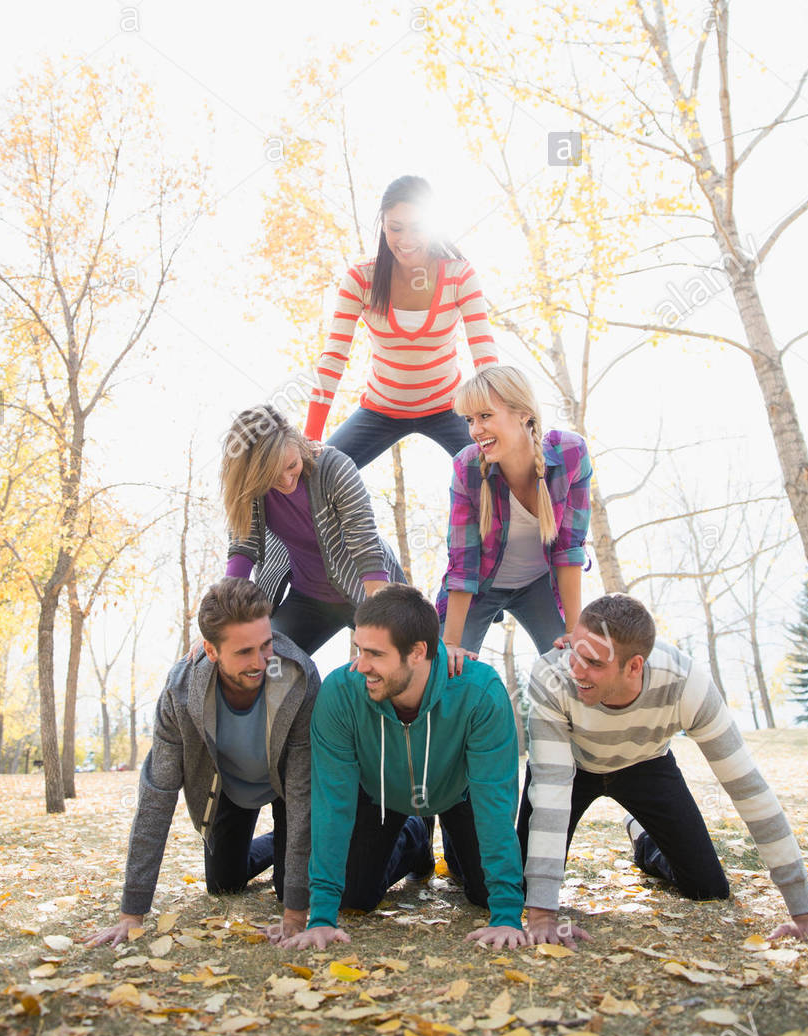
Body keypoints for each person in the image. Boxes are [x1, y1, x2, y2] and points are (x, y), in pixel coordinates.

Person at [520, 593, 808, 949]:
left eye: (592, 662)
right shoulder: (551, 675)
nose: (575, 669)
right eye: (574, 651)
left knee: (707, 888)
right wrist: (543, 914)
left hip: (645, 764)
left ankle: (643, 837)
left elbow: (749, 789)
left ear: (634, 666)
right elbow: (551, 791)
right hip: (572, 768)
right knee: (525, 890)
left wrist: (803, 912)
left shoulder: (687, 684)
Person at [280, 584, 529, 952]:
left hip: (455, 793)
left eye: (375, 654)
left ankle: (449, 842)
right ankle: (416, 840)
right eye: (360, 649)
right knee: (356, 895)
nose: (361, 665)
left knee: (480, 891)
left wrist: (507, 914)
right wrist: (321, 919)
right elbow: (332, 804)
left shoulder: (479, 692)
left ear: (417, 652)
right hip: (380, 795)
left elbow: (496, 802)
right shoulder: (341, 693)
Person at [86, 579, 319, 949]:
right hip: (228, 787)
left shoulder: (297, 677)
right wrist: (132, 915)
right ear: (210, 650)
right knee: (223, 884)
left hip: (286, 786)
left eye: (266, 644)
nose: (260, 662)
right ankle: (279, 844)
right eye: (244, 652)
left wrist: (294, 916)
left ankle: (293, 850)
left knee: (288, 888)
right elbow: (157, 795)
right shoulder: (180, 692)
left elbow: (304, 792)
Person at [303, 175, 499, 469]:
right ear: (383, 224)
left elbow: (485, 357)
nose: (406, 240)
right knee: (317, 476)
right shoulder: (361, 279)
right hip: (380, 410)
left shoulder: (460, 276)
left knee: (496, 469)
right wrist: (310, 438)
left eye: (418, 228)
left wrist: (496, 422)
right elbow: (333, 358)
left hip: (450, 407)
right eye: (396, 228)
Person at [437, 365, 591, 677]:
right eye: (470, 420)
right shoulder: (466, 468)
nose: (475, 430)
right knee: (446, 670)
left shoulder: (570, 453)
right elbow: (463, 562)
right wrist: (450, 643)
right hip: (479, 587)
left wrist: (574, 630)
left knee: (573, 666)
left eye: (485, 416)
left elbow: (569, 549)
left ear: (523, 413)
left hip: (540, 585)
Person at [223, 405, 403, 655]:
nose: (286, 481)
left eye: (291, 465)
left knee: (394, 661)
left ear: (298, 445)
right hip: (307, 598)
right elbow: (242, 554)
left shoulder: (333, 466)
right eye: (272, 477)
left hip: (368, 587)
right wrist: (223, 626)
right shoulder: (253, 493)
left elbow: (365, 546)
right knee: (266, 658)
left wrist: (380, 621)